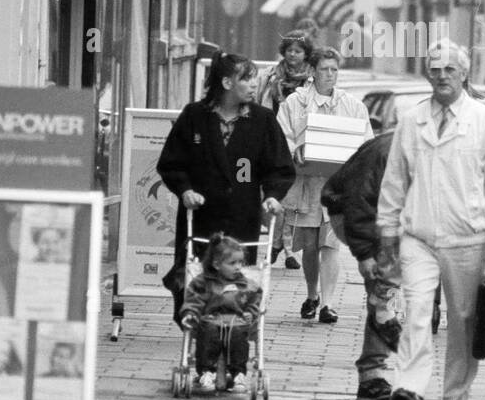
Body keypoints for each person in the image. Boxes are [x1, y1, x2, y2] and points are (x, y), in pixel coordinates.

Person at [377, 39, 485, 400]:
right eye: (435, 69)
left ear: (464, 74)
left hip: (467, 237)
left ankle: (456, 399)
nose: (441, 77)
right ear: (427, 74)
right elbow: (395, 179)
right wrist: (388, 229)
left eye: (449, 70)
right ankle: (409, 388)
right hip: (418, 235)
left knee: (463, 320)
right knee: (418, 312)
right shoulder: (412, 118)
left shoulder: (484, 121)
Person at [156, 51, 294, 323]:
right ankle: (197, 325)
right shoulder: (194, 116)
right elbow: (171, 163)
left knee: (237, 282)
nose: (255, 85)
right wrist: (185, 190)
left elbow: (279, 167)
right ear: (227, 83)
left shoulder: (262, 120)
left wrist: (273, 196)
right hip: (202, 217)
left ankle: (235, 332)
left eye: (255, 79)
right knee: (195, 279)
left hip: (242, 217)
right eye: (247, 79)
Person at [277, 46, 373, 324]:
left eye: (334, 70)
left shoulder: (353, 106)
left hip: (338, 188)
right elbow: (281, 135)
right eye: (324, 70)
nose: (329, 75)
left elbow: (366, 142)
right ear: (312, 71)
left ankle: (328, 305)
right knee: (309, 246)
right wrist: (294, 147)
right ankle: (312, 294)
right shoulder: (294, 103)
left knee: (331, 245)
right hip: (307, 185)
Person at [321, 129, 402, 400]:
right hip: (349, 211)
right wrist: (365, 255)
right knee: (383, 276)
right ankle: (373, 373)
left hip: (386, 217)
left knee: (390, 281)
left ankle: (373, 374)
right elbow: (358, 201)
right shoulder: (387, 152)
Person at [259, 29, 316, 269]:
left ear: (306, 54)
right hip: (271, 141)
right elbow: (259, 103)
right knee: (274, 196)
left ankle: (285, 248)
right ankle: (278, 245)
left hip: (299, 145)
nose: (293, 55)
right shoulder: (271, 75)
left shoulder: (312, 79)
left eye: (298, 51)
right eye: (289, 50)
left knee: (293, 200)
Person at [178, 234, 263, 392]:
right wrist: (190, 312)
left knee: (238, 337)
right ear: (217, 264)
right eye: (232, 263)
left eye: (240, 262)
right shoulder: (203, 282)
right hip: (210, 319)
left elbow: (255, 299)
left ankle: (238, 373)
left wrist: (251, 312)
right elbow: (194, 300)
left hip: (237, 320)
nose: (238, 267)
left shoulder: (245, 284)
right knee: (208, 334)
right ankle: (206, 370)